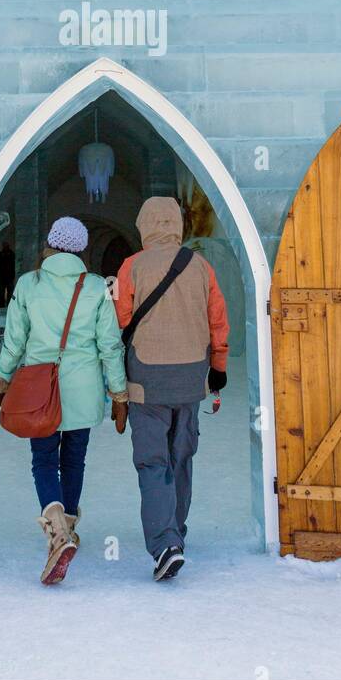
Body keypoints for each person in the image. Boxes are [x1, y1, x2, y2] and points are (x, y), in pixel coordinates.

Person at [0, 216, 128, 585]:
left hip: (38, 391)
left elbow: (14, 341)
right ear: (80, 249)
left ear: (49, 245)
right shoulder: (97, 286)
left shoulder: (28, 284)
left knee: (44, 460)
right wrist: (118, 392)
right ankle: (68, 529)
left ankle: (57, 532)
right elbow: (109, 344)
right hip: (83, 390)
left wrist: (0, 381)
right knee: (75, 459)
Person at [115, 196, 229, 581]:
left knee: (153, 460)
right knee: (182, 455)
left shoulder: (131, 267)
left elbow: (121, 321)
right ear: (178, 224)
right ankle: (176, 530)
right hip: (191, 378)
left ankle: (165, 543)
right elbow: (218, 320)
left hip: (147, 380)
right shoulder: (200, 266)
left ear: (144, 224)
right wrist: (218, 367)